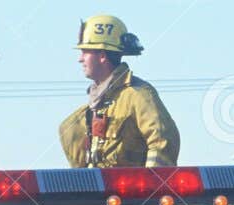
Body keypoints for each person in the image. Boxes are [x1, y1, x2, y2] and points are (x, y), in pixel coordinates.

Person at [59, 14, 180, 170]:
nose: (80, 59)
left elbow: (163, 142)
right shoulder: (90, 110)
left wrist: (151, 187)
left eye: (85, 52)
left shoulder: (137, 95)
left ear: (102, 56)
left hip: (133, 193)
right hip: (103, 192)